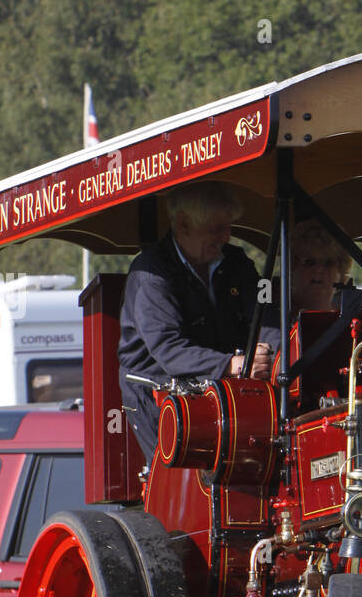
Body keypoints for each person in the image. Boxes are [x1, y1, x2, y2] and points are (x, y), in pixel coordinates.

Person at [118, 181, 280, 463]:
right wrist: (232, 365)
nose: (226, 237)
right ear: (183, 224)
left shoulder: (238, 263)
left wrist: (281, 356)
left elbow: (265, 315)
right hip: (157, 393)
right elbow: (170, 349)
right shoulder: (151, 274)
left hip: (222, 388)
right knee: (182, 485)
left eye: (229, 227)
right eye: (216, 229)